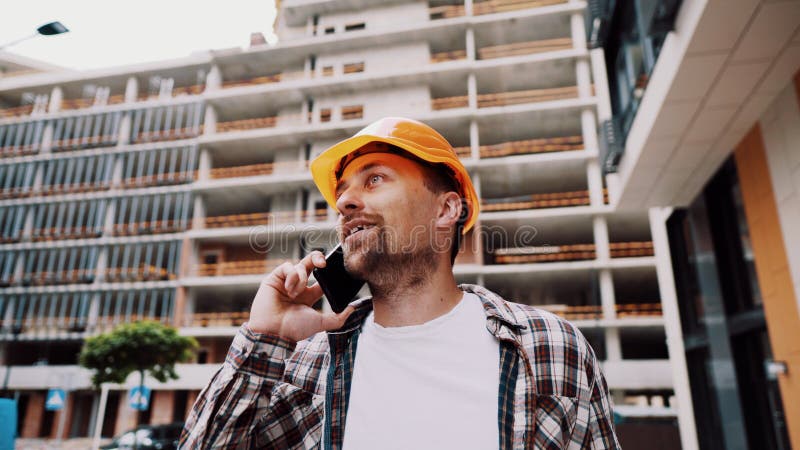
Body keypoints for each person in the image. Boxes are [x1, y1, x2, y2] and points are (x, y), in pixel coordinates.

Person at [180, 117, 621, 449]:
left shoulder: (550, 348)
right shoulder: (305, 364)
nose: (344, 202)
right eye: (342, 192)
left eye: (375, 179)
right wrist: (265, 338)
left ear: (446, 210)